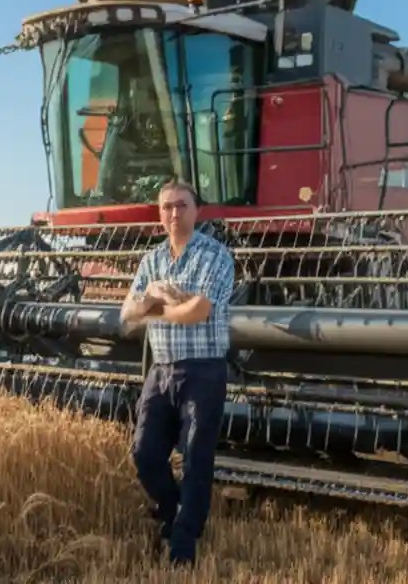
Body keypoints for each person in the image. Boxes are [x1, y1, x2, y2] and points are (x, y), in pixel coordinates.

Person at [120, 179, 236, 567]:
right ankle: (174, 513)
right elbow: (126, 314)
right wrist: (163, 302)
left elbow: (199, 312)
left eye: (181, 206)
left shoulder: (215, 256)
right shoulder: (151, 259)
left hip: (203, 370)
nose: (173, 213)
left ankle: (183, 545)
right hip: (162, 369)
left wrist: (153, 305)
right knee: (144, 453)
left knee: (196, 459)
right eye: (166, 206)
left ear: (196, 210)